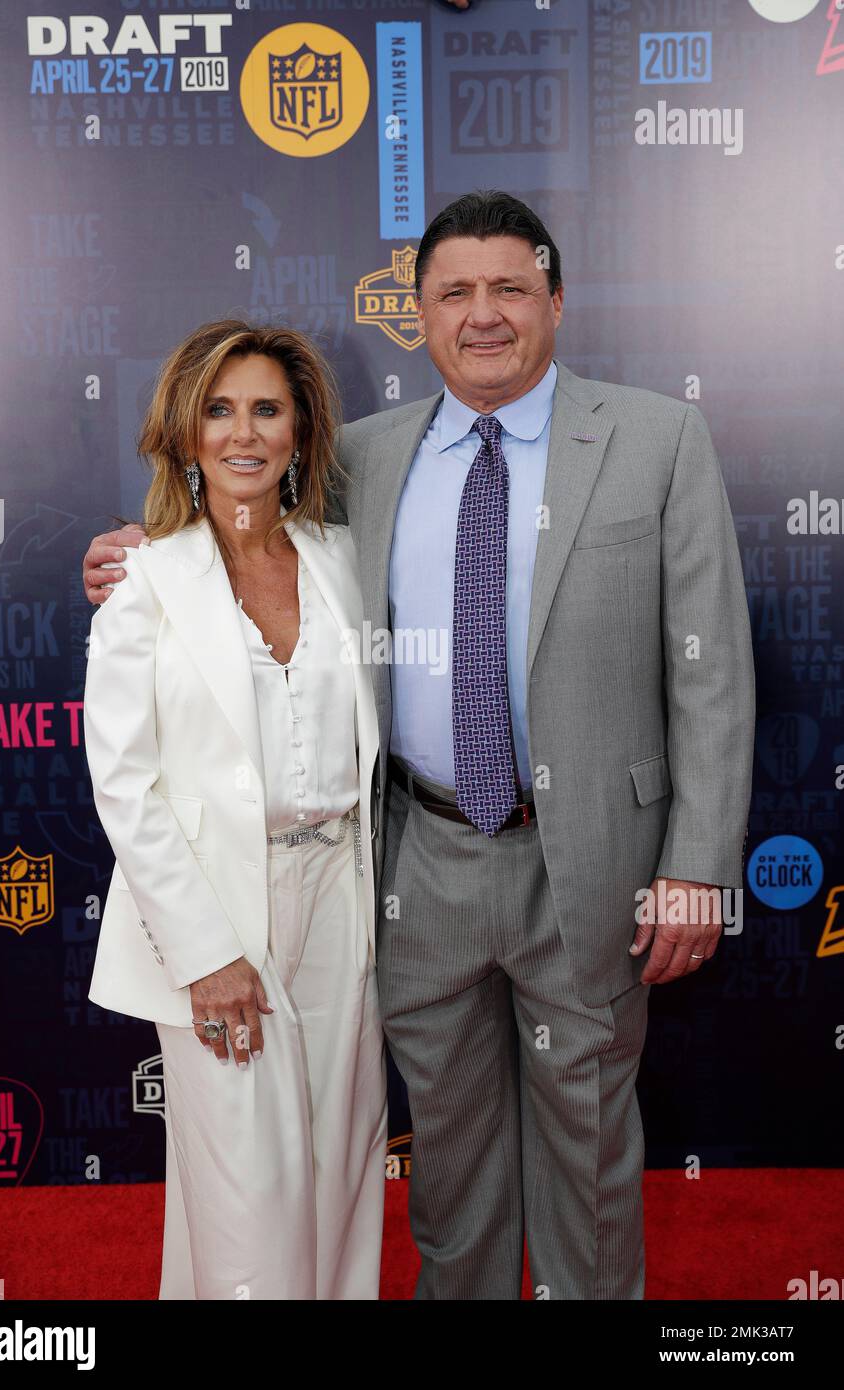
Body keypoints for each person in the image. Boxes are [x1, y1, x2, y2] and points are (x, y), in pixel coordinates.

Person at [83, 191, 756, 1300]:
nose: (482, 314)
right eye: (455, 291)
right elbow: (232, 534)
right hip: (416, 863)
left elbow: (713, 674)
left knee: (590, 1156)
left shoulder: (656, 437)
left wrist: (693, 868)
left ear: (554, 298)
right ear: (420, 313)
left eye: (508, 288)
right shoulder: (358, 456)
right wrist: (125, 559)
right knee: (446, 1157)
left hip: (587, 861)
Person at [83, 320, 387, 1300]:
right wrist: (205, 951)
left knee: (342, 1172)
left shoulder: (348, 563)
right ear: (185, 432)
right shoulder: (144, 583)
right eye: (219, 410)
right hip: (216, 914)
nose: (243, 432)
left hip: (342, 895)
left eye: (268, 409)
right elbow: (125, 784)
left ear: (301, 433)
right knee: (245, 1195)